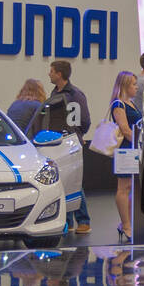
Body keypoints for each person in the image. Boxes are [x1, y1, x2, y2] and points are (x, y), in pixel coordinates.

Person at [47, 60, 92, 234]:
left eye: (51, 71)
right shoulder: (54, 92)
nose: (49, 74)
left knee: (74, 182)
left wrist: (77, 135)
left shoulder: (75, 95)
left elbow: (85, 120)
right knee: (64, 182)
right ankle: (68, 221)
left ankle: (84, 220)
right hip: (58, 144)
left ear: (59, 74)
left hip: (71, 144)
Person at [109, 71, 143, 242]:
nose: (136, 87)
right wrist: (140, 142)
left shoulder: (131, 103)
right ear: (125, 86)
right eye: (133, 84)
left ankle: (128, 223)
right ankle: (126, 225)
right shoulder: (118, 104)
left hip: (133, 149)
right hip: (125, 150)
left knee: (131, 188)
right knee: (124, 188)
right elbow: (125, 129)